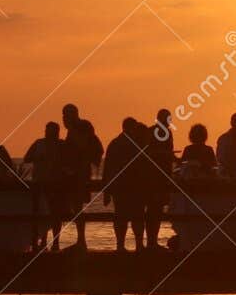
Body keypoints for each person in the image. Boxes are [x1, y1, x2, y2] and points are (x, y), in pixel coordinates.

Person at [60, 103, 103, 249]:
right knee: (75, 206)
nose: (64, 119)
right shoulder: (75, 129)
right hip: (74, 173)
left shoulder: (81, 126)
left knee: (77, 206)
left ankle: (81, 242)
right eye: (63, 115)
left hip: (79, 174)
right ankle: (80, 241)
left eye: (66, 115)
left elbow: (83, 146)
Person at [102, 118, 147, 251]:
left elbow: (107, 168)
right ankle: (138, 244)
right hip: (133, 186)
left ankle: (120, 245)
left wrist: (106, 191)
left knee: (121, 216)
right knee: (137, 216)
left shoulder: (114, 144)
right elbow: (142, 167)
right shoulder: (136, 144)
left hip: (119, 187)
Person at [22, 122, 64, 250]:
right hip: (40, 183)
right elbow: (26, 158)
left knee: (55, 214)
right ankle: (42, 241)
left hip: (55, 184)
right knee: (41, 213)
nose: (49, 133)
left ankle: (55, 243)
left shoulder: (61, 145)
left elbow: (69, 161)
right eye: (48, 131)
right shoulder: (39, 143)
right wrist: (38, 157)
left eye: (51, 131)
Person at [145, 110, 174, 250]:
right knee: (154, 209)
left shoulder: (167, 133)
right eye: (167, 119)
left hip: (163, 177)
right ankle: (151, 242)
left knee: (157, 209)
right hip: (154, 177)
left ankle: (152, 241)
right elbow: (147, 152)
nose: (169, 122)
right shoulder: (151, 132)